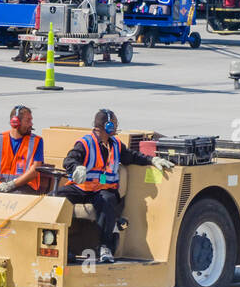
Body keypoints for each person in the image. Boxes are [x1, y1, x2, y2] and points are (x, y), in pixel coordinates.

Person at [61, 108, 166, 264]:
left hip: (103, 191)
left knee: (108, 200)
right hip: (82, 188)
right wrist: (76, 168)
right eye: (114, 124)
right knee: (56, 197)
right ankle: (63, 246)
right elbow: (69, 160)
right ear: (108, 126)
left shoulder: (115, 144)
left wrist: (152, 160)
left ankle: (105, 247)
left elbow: (132, 156)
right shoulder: (85, 143)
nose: (116, 128)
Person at [0, 104, 45, 193]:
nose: (31, 124)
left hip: (24, 186)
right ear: (15, 122)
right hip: (0, 184)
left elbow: (35, 171)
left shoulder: (37, 141)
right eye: (28, 120)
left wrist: (12, 184)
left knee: (11, 197)